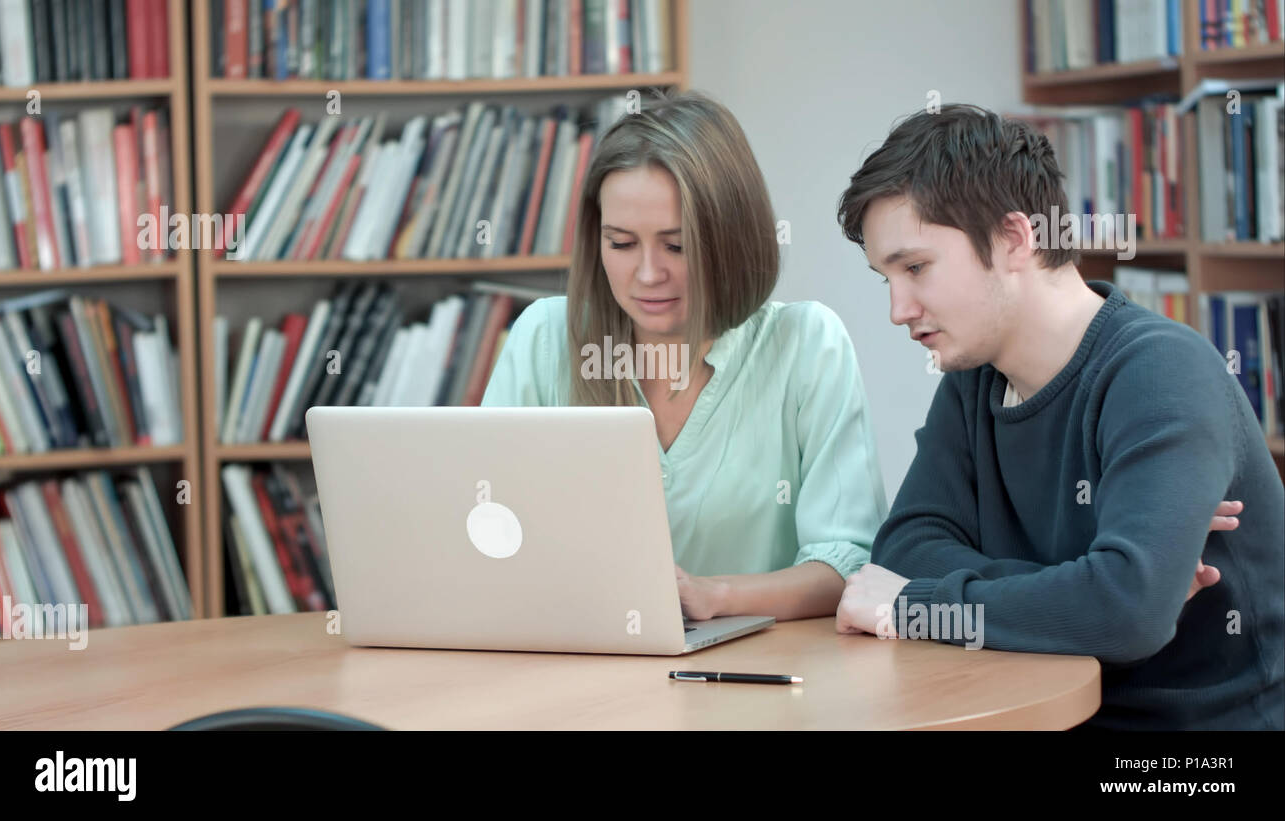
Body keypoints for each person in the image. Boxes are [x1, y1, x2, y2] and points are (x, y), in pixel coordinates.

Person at [832, 103, 1284, 730]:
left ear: (1015, 238)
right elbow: (905, 549)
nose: (898, 309)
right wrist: (1086, 580)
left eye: (915, 268)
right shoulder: (972, 379)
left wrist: (913, 607)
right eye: (887, 277)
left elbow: (1127, 615)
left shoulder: (1161, 372)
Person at [481, 91, 887, 621]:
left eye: (677, 245)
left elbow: (848, 565)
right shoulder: (542, 338)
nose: (648, 275)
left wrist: (715, 597)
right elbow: (486, 531)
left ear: (731, 238)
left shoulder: (808, 345)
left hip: (755, 685)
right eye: (621, 244)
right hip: (574, 676)